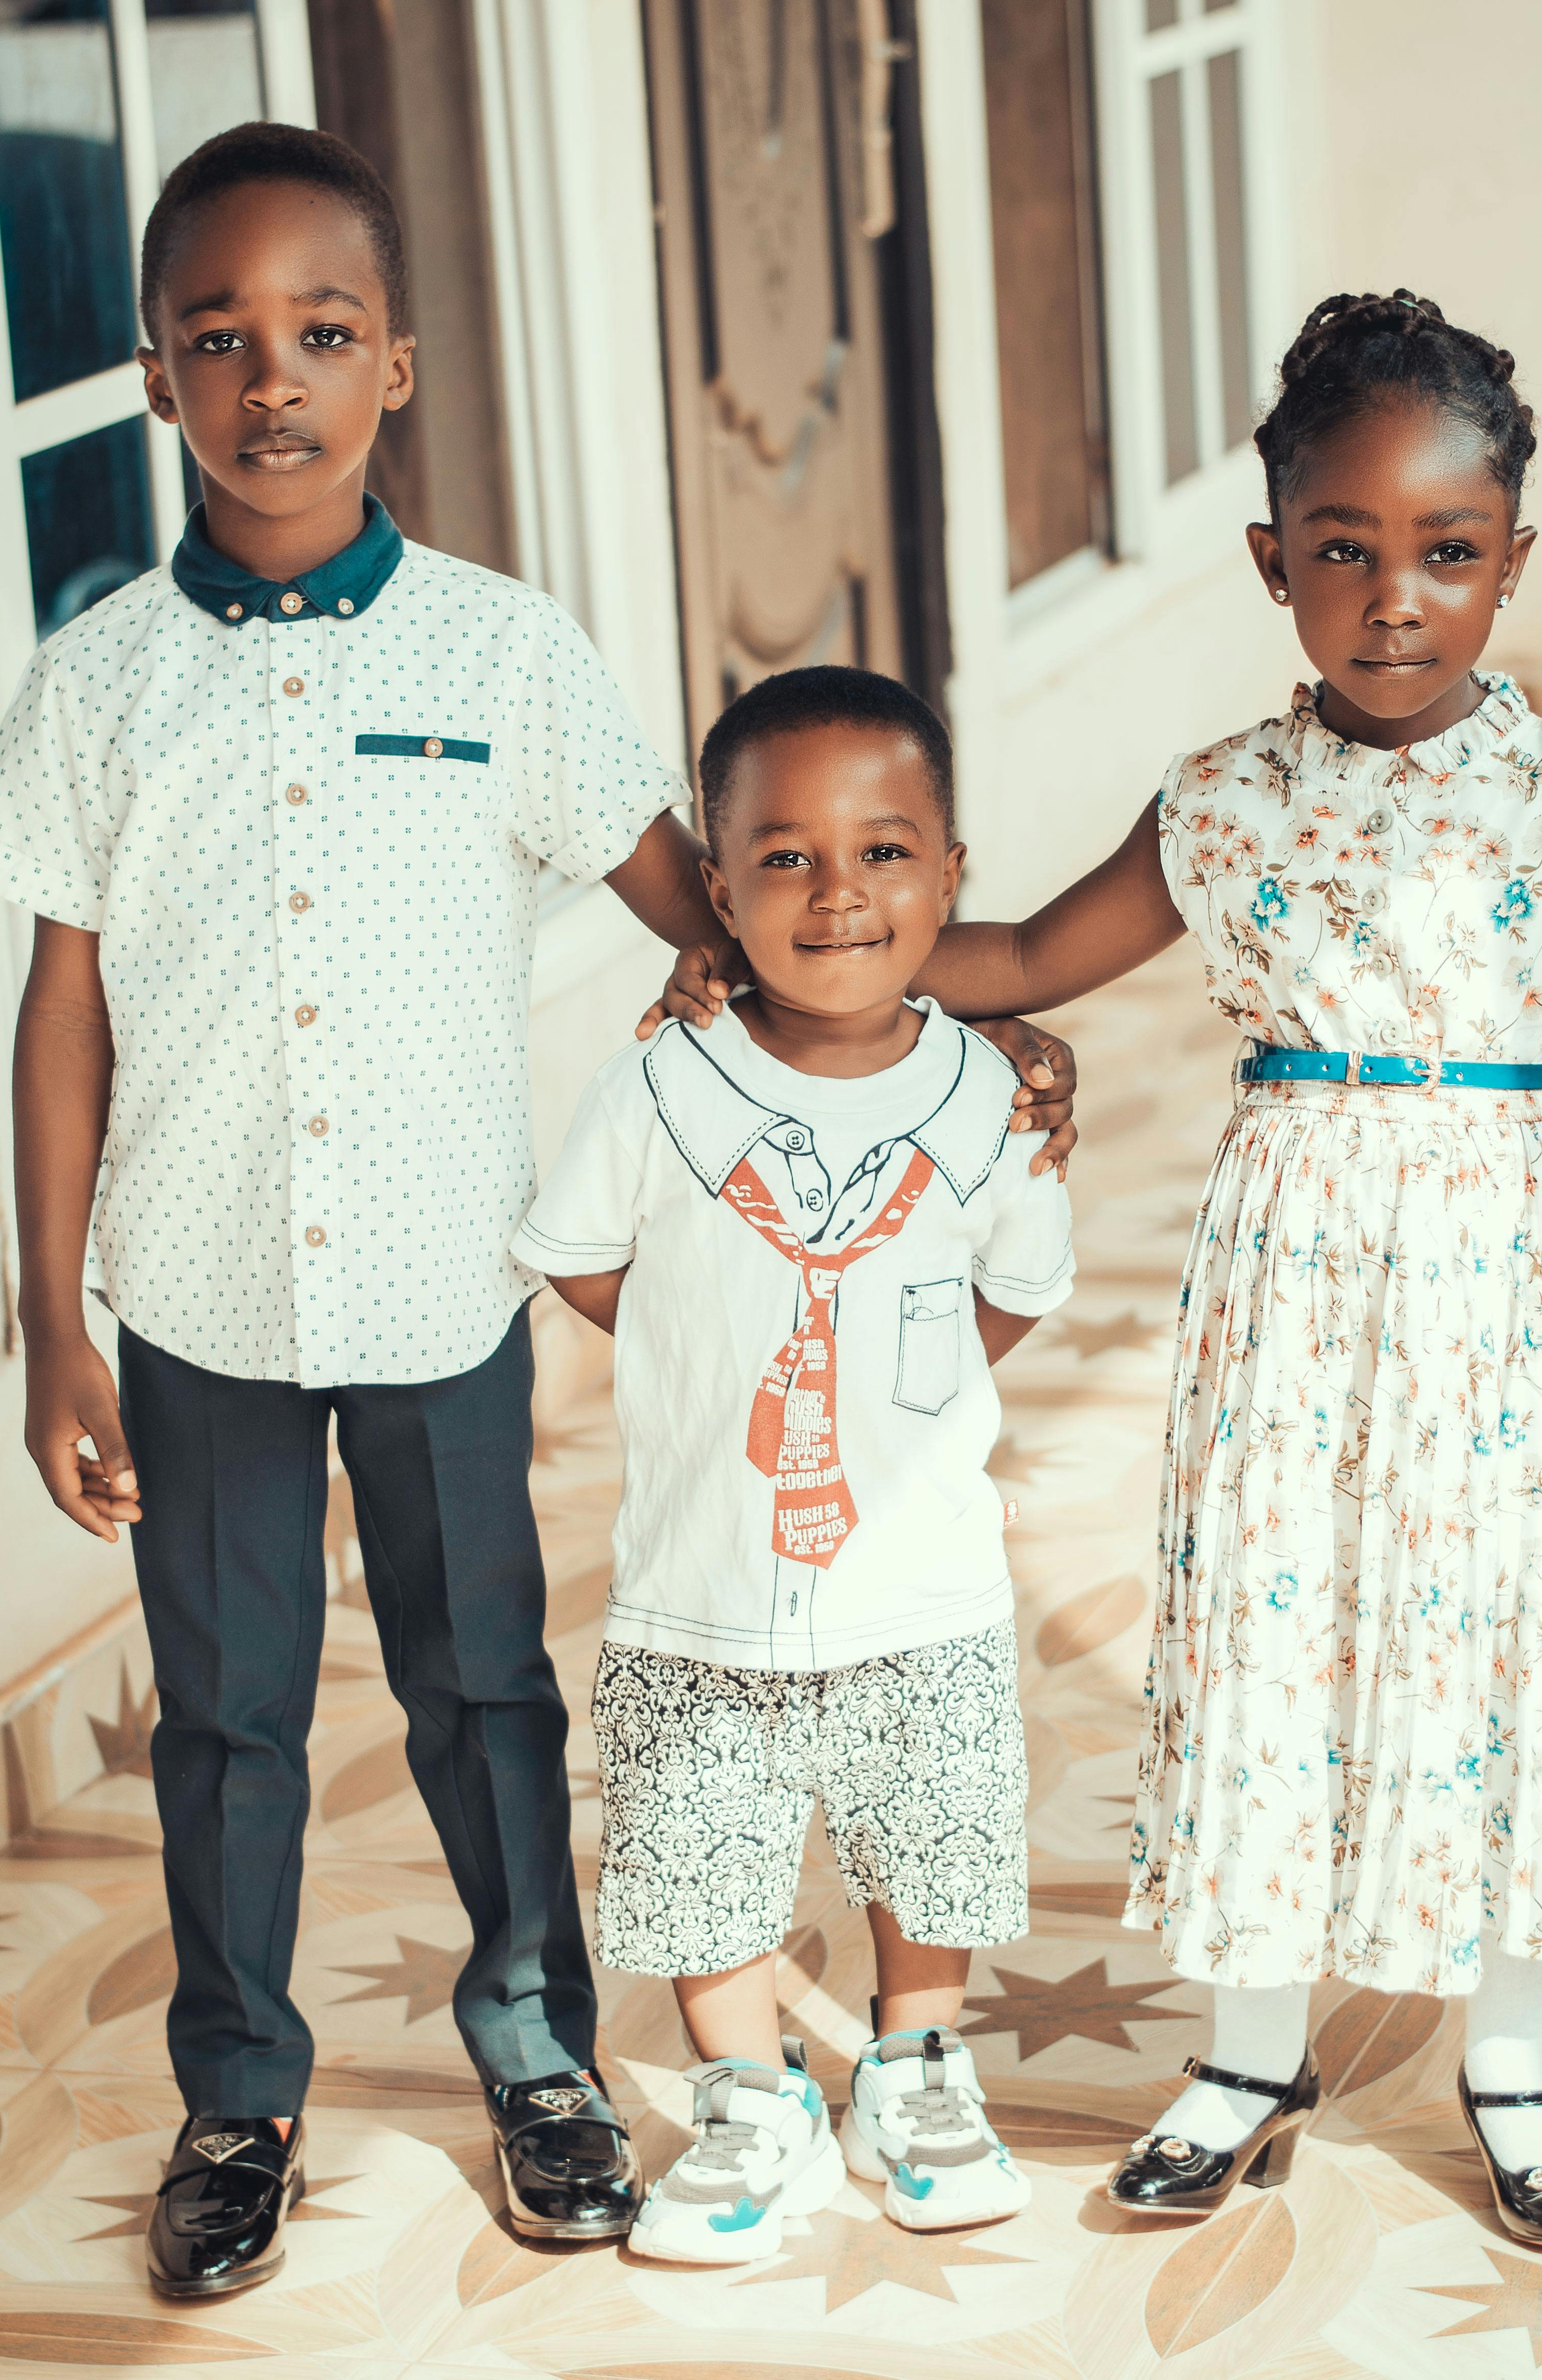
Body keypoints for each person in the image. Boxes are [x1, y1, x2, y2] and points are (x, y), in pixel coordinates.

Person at [0, 116, 1070, 2297]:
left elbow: (729, 905)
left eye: (323, 332)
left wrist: (960, 1025)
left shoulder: (503, 654)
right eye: (219, 337)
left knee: (486, 1688)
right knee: (230, 1705)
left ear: (404, 366)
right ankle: (234, 2092)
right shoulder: (95, 686)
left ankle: (543, 2052)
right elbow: (59, 1013)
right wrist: (59, 1322)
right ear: (159, 376)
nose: (272, 378)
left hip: (449, 1280)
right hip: (191, 1293)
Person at [652, 294, 1542, 2252]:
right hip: (1291, 1302)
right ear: (1275, 563)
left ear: (1515, 561)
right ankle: (1251, 2048)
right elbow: (1015, 962)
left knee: (1506, 1660)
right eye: (1343, 550)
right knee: (1281, 1649)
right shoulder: (1226, 799)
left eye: (1447, 554)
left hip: (1516, 1307)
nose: (1395, 597)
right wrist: (787, 945)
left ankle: (1519, 2061)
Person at [515, 666, 1073, 2263]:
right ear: (714, 889)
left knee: (937, 1833)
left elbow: (1012, 1291)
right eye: (784, 858)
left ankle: (915, 2066)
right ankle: (751, 2099)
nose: (840, 896)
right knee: (697, 1850)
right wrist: (713, 1356)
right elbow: (582, 1258)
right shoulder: (663, 1084)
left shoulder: (995, 1096)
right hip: (705, 1590)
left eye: (887, 853)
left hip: (923, 1580)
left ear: (952, 875)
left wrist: (905, 1390)